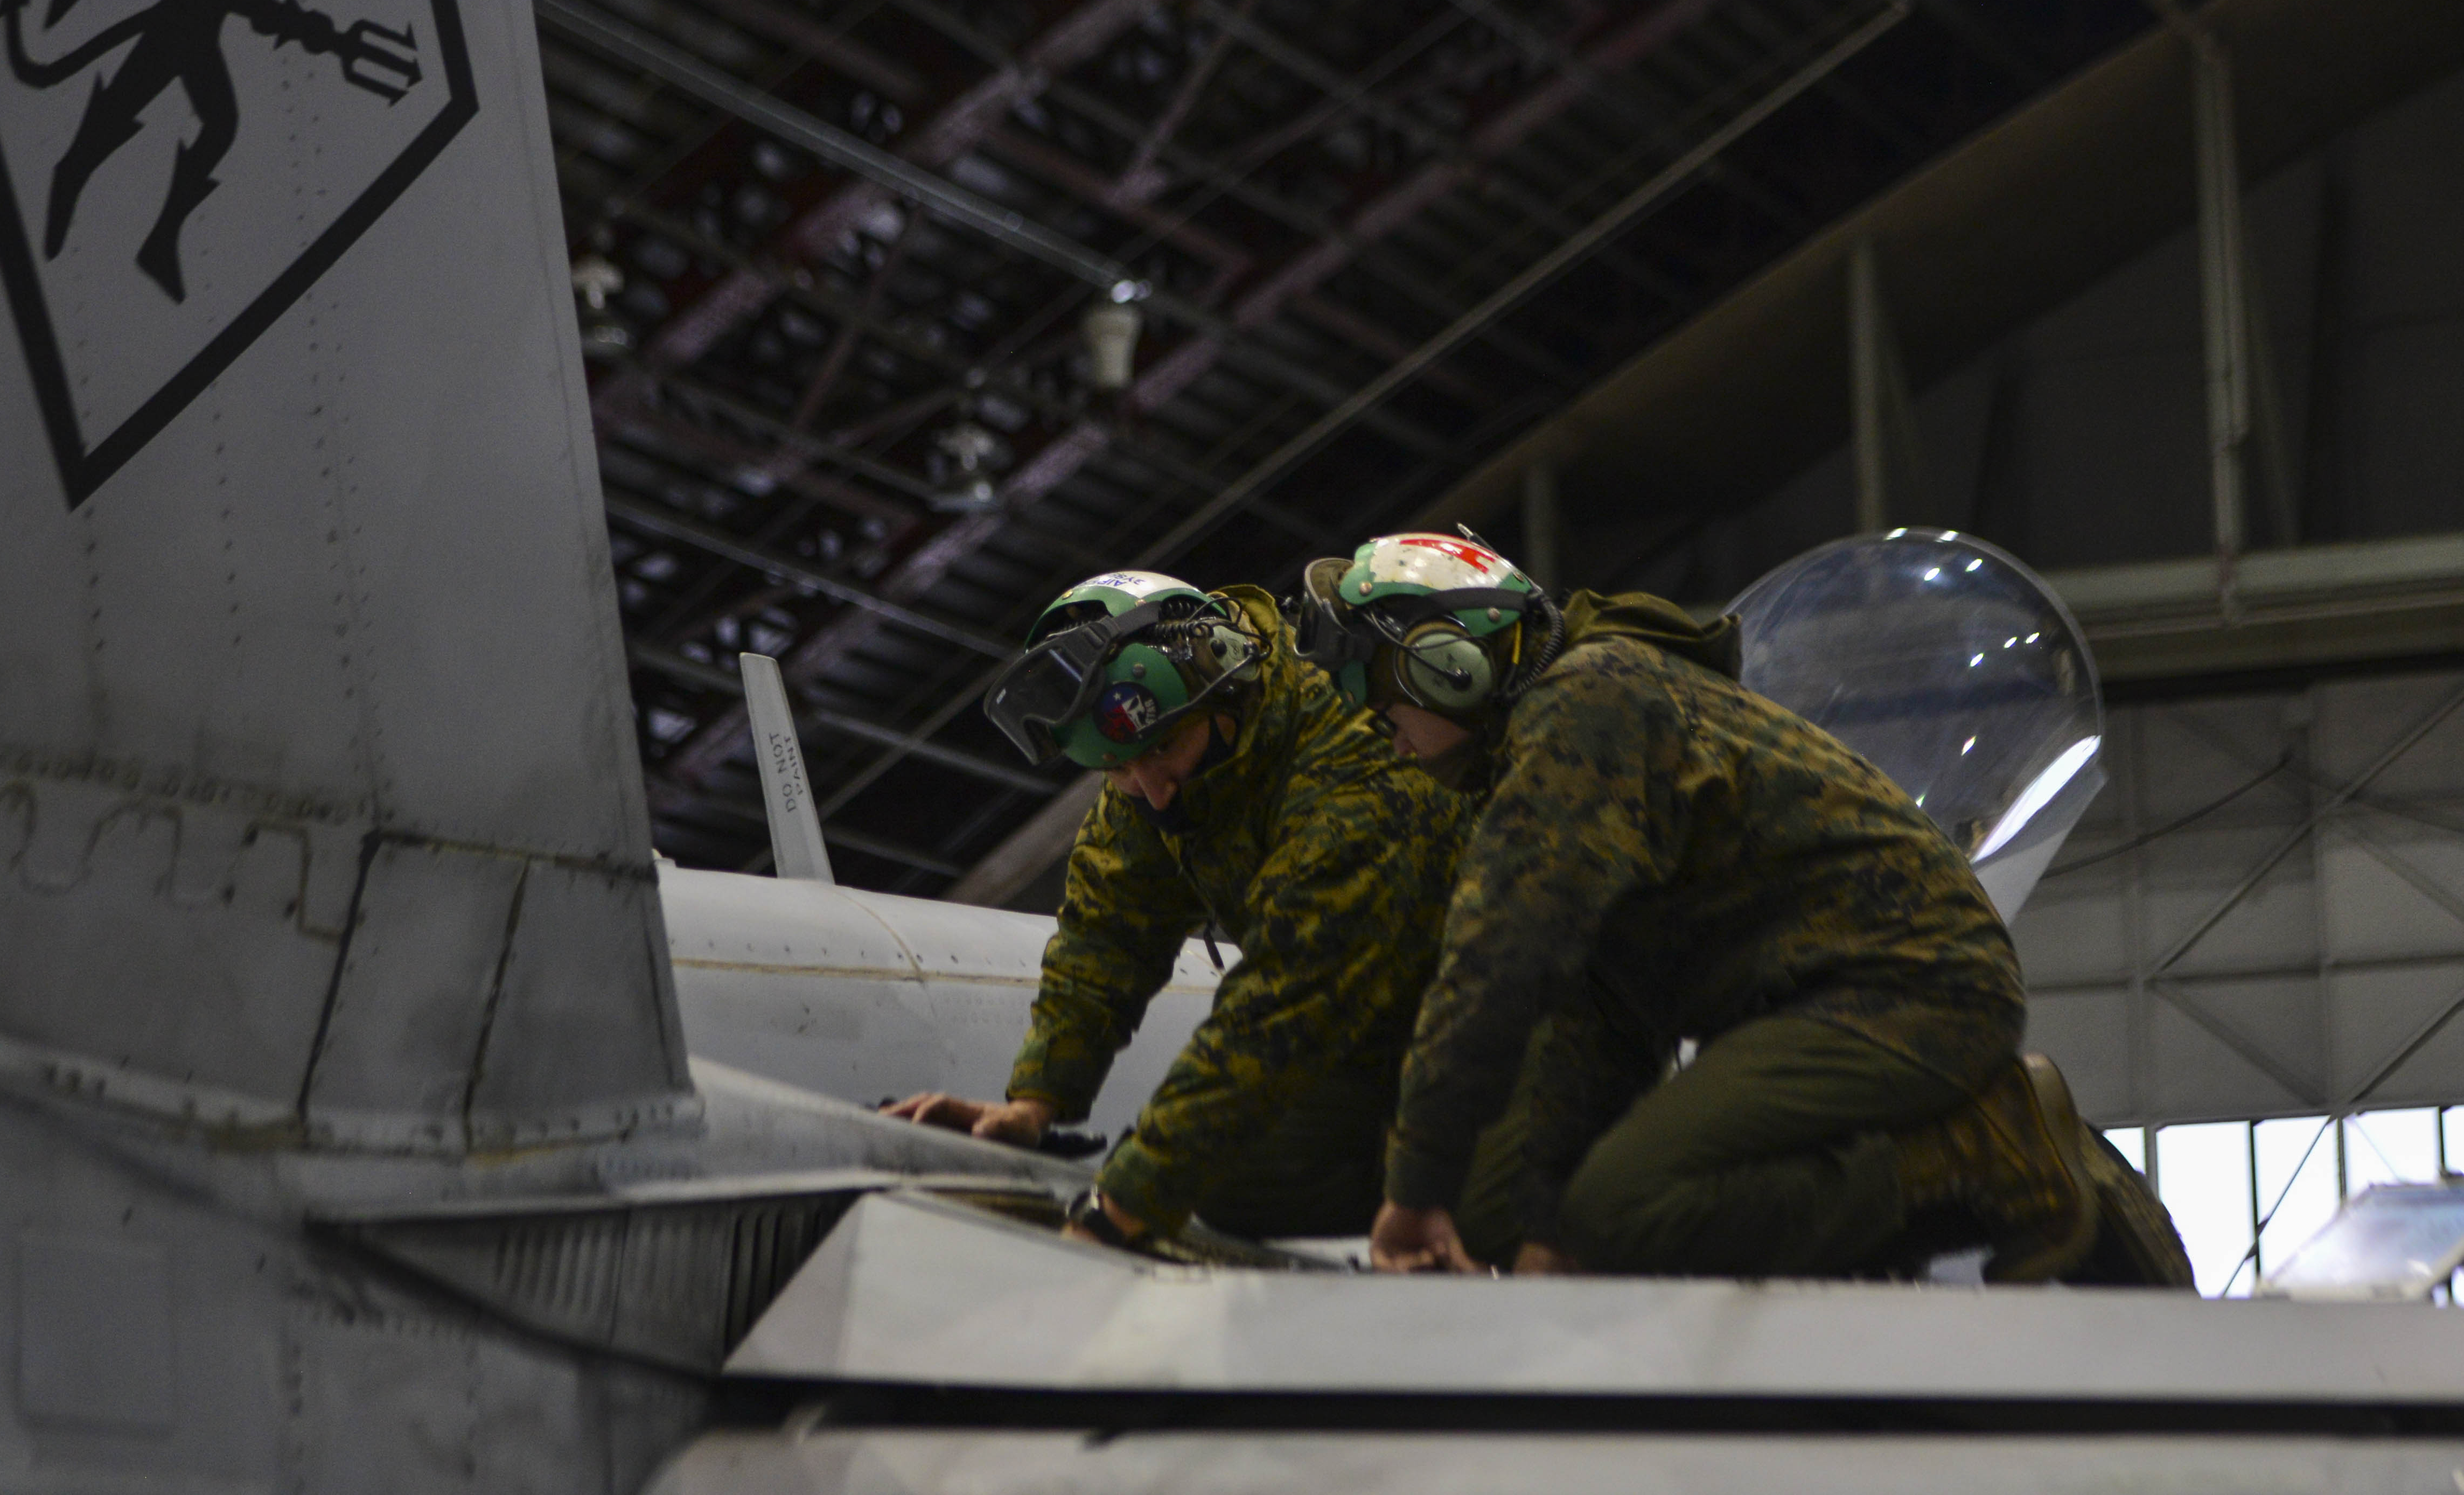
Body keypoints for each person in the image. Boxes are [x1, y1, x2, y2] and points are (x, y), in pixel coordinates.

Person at [1288, 529, 2190, 1286]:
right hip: (1797, 1003)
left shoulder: (1584, 703)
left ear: (1449, 663)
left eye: (1370, 682)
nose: (1366, 720)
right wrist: (1534, 1225)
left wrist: (1416, 1188)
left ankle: (1986, 1147)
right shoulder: (1526, 756)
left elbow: (1498, 964)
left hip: (1904, 980)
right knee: (1512, 1214)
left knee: (1619, 1214)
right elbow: (1591, 1012)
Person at [881, 569, 1476, 1247]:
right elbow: (1106, 935)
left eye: (1162, 751)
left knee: (1529, 1205)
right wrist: (1033, 1105)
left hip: (1502, 1018)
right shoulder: (1152, 762)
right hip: (1374, 1035)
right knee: (1233, 1185)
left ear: (1222, 684)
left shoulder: (1352, 762)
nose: (1150, 791)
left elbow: (1285, 1002)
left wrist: (1125, 1206)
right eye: (1118, 771)